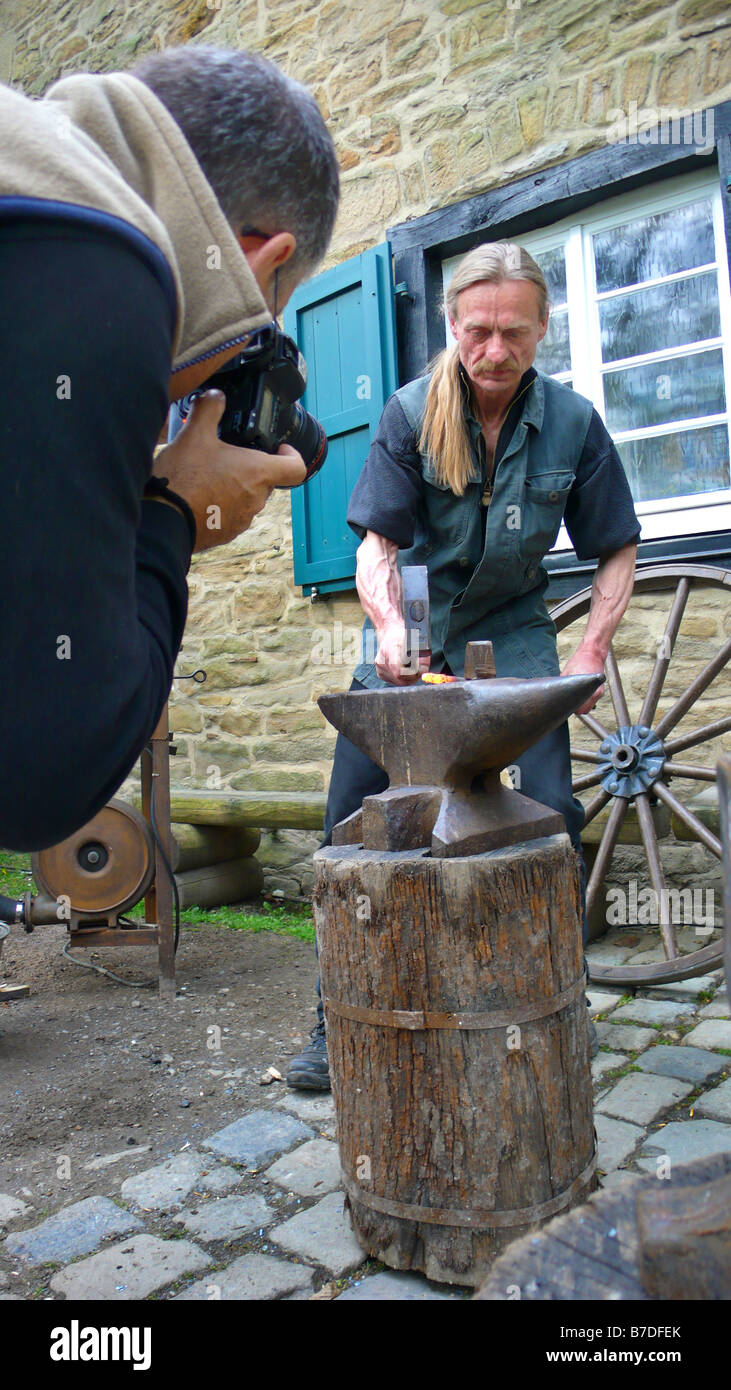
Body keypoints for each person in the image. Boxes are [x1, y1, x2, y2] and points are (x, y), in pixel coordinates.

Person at [286, 241, 640, 1090]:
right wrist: (385, 627)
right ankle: (335, 1019)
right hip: (415, 624)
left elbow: (616, 547)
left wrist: (588, 653)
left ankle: (558, 1000)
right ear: (450, 324)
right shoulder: (408, 414)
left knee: (550, 809)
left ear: (542, 327)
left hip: (514, 629)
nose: (493, 351)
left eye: (513, 332)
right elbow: (377, 544)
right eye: (476, 331)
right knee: (352, 816)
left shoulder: (573, 422)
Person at [0, 47, 339, 851]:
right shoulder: (101, 252)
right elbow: (40, 779)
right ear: (264, 258)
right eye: (264, 316)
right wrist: (174, 512)